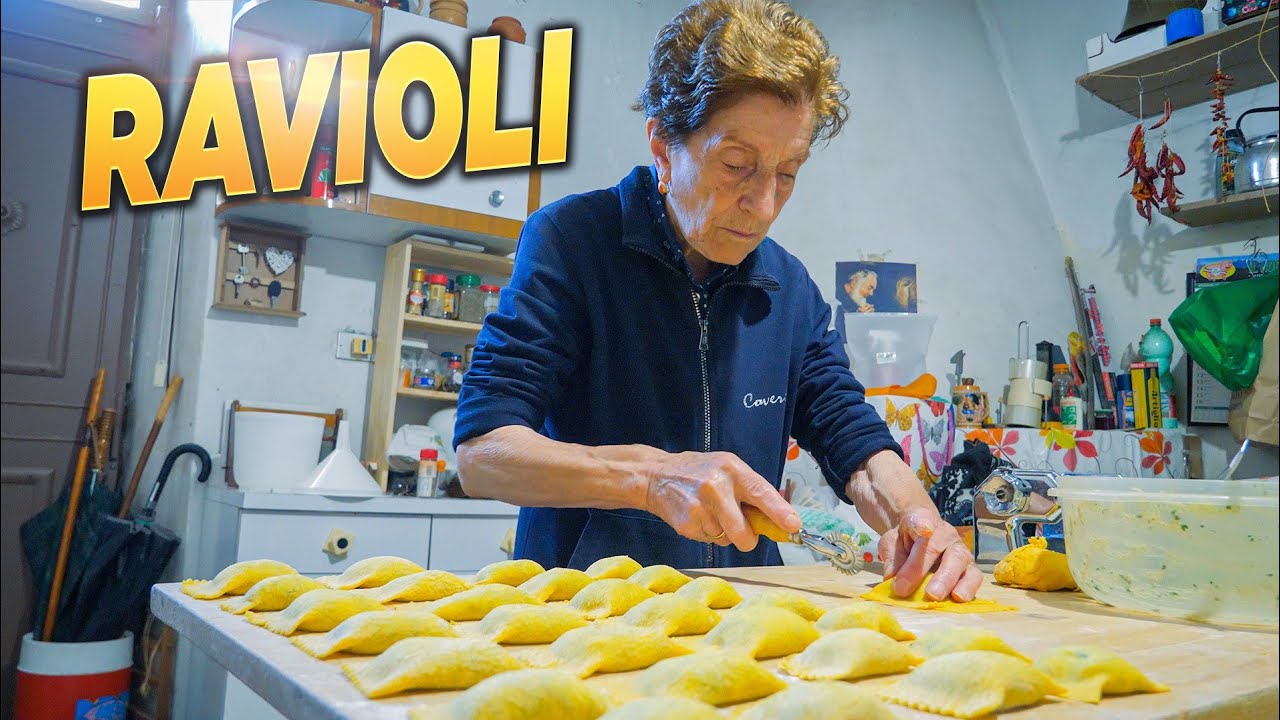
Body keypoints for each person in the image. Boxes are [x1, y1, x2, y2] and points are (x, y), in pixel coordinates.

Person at [454, 0, 982, 602]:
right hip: (586, 612)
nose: (763, 204)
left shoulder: (788, 285)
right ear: (662, 143)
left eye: (788, 172)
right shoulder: (572, 242)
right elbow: (482, 452)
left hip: (743, 610)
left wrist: (919, 520)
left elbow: (850, 437)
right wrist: (652, 478)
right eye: (737, 165)